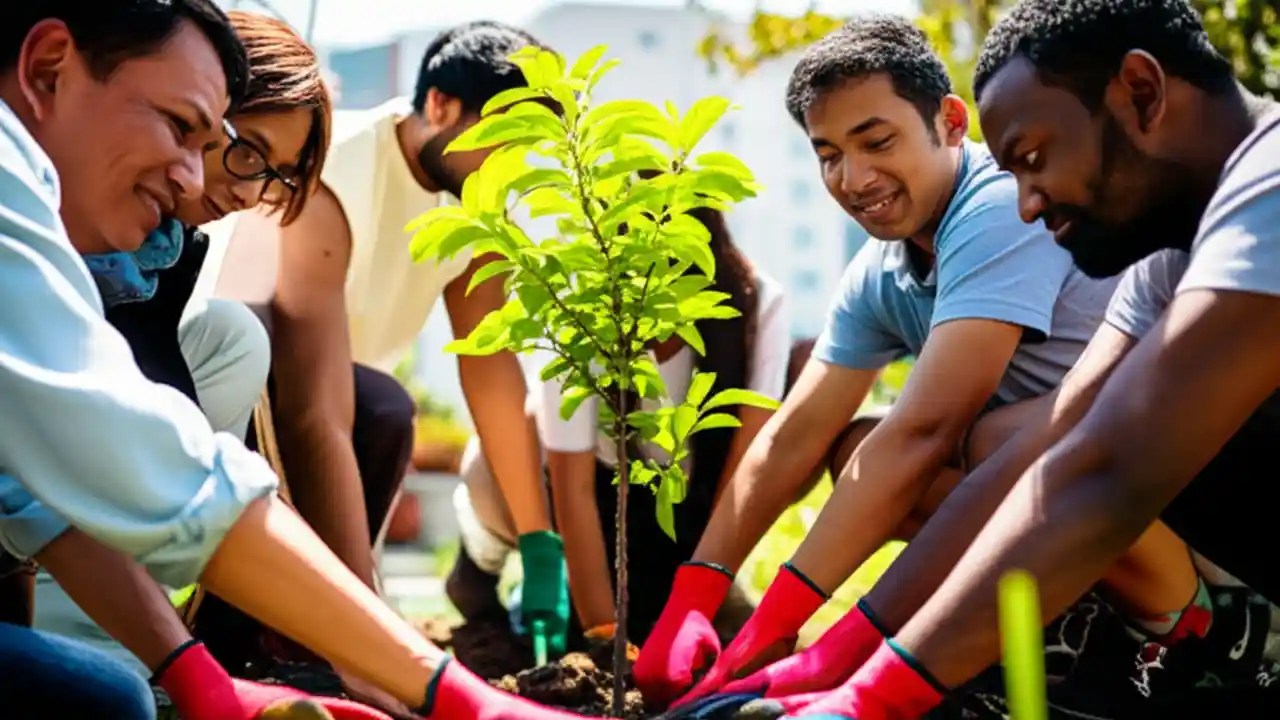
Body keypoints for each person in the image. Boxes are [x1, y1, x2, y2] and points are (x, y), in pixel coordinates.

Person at [0, 3, 591, 719]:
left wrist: (194, 675)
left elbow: (32, 499)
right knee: (109, 699)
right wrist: (444, 687)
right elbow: (168, 461)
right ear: (47, 69)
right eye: (182, 128)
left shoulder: (133, 239)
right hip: (216, 460)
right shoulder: (14, 186)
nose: (199, 182)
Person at [637, 14, 1226, 710]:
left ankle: (1192, 629)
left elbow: (928, 431)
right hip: (1059, 497)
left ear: (949, 121)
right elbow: (796, 432)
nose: (853, 177)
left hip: (1185, 512)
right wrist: (699, 587)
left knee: (991, 440)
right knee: (854, 446)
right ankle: (1064, 633)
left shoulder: (1002, 206)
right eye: (828, 155)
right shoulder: (882, 272)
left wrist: (806, 643)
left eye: (876, 141)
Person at [207, 18, 570, 656]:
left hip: (344, 402)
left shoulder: (477, 202)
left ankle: (287, 646)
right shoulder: (337, 161)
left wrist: (538, 541)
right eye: (503, 140)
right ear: (440, 105)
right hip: (235, 387)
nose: (512, 166)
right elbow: (314, 410)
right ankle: (276, 645)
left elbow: (489, 365)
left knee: (375, 407)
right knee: (380, 406)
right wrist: (368, 624)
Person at [27, 4, 334, 683]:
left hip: (60, 514)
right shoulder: (43, 212)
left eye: (274, 174)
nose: (245, 189)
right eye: (246, 149)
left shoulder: (163, 247)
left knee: (233, 338)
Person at [449, 205, 789, 649]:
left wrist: (704, 591)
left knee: (667, 621)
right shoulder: (580, 315)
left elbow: (748, 468)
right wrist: (603, 639)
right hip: (596, 493)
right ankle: (480, 562)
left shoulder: (756, 303)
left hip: (693, 503)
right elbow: (573, 493)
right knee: (509, 449)